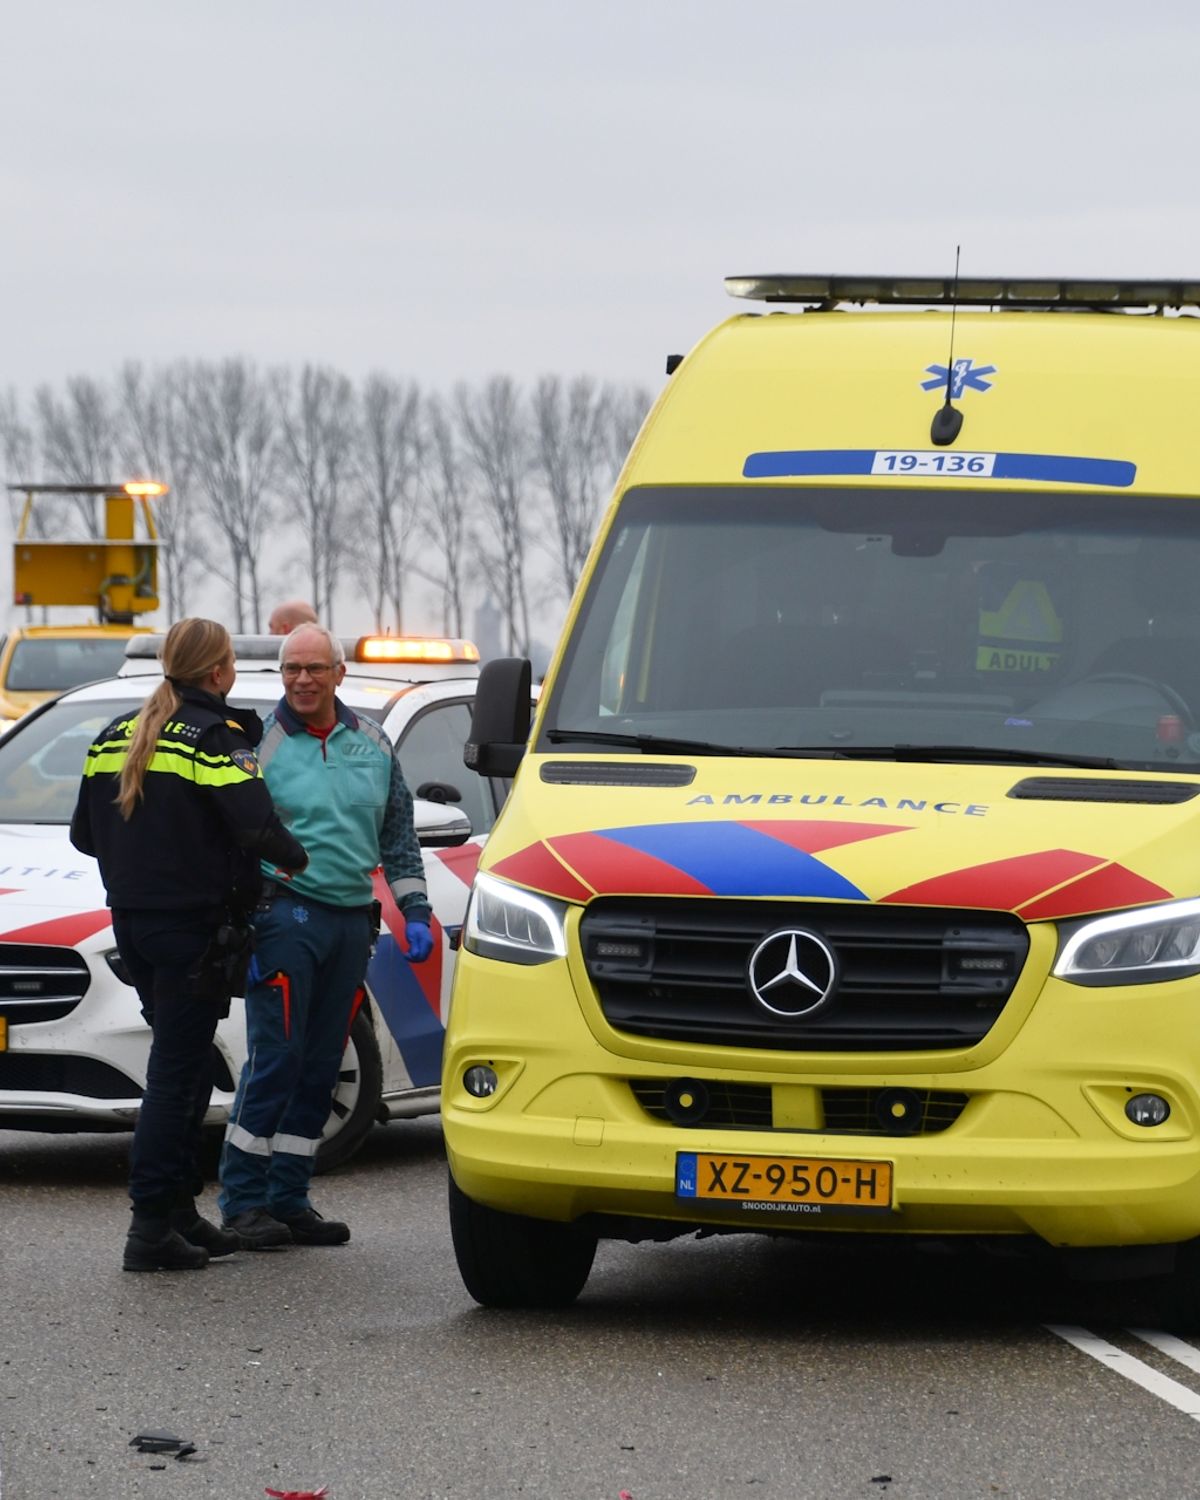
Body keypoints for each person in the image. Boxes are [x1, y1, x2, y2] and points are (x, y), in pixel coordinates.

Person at [69, 618, 308, 1272]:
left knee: (191, 1063)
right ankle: (149, 1227)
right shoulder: (214, 737)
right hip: (192, 931)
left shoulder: (115, 733)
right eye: (230, 660)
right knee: (176, 1076)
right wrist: (301, 859)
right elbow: (258, 827)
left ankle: (179, 1212)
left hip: (135, 927)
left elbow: (83, 838)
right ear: (217, 671)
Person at [217, 623, 434, 1248]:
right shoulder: (256, 745)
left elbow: (398, 838)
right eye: (292, 670)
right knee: (277, 1059)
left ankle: (289, 1197)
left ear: (339, 673)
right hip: (286, 917)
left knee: (319, 1067)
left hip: (350, 924)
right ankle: (241, 1201)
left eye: (315, 669)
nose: (303, 681)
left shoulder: (374, 743)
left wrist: (415, 910)